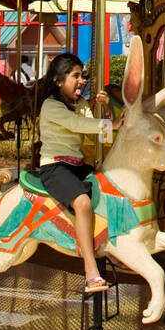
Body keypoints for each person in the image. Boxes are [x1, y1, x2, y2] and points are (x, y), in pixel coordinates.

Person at [37, 52, 115, 294]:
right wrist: (111, 125)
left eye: (82, 76)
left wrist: (106, 109)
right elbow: (75, 125)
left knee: (110, 187)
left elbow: (99, 134)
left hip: (77, 166)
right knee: (82, 203)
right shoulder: (51, 106)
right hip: (55, 167)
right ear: (59, 81)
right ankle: (90, 271)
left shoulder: (80, 105)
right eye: (75, 76)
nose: (81, 81)